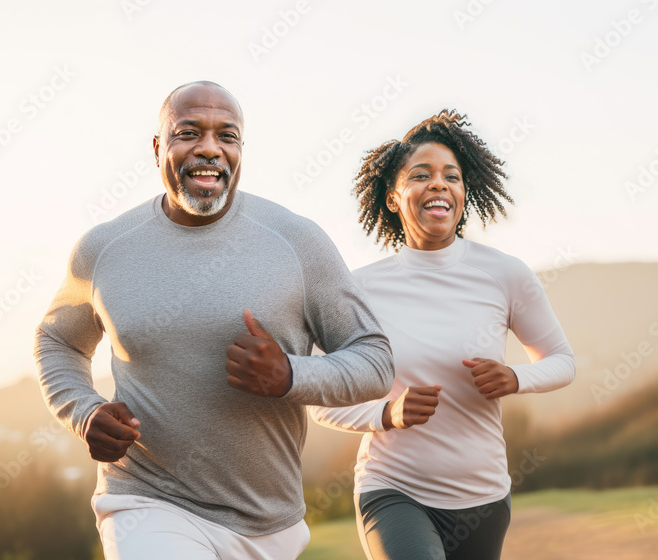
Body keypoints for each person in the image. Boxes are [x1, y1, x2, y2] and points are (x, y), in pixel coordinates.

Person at [34, 81, 395, 560]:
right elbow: (59, 340)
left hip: (269, 522)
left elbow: (375, 361)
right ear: (158, 146)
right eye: (188, 132)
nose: (209, 148)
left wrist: (291, 374)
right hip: (145, 500)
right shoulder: (105, 248)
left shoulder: (297, 242)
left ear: (241, 149)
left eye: (227, 135)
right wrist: (84, 411)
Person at [310, 109, 576, 559]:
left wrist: (515, 378)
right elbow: (318, 394)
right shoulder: (359, 289)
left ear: (463, 193)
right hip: (393, 489)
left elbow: (561, 361)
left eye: (451, 176)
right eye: (420, 175)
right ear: (393, 198)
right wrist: (387, 413)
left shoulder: (504, 274)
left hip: (484, 498)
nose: (439, 184)